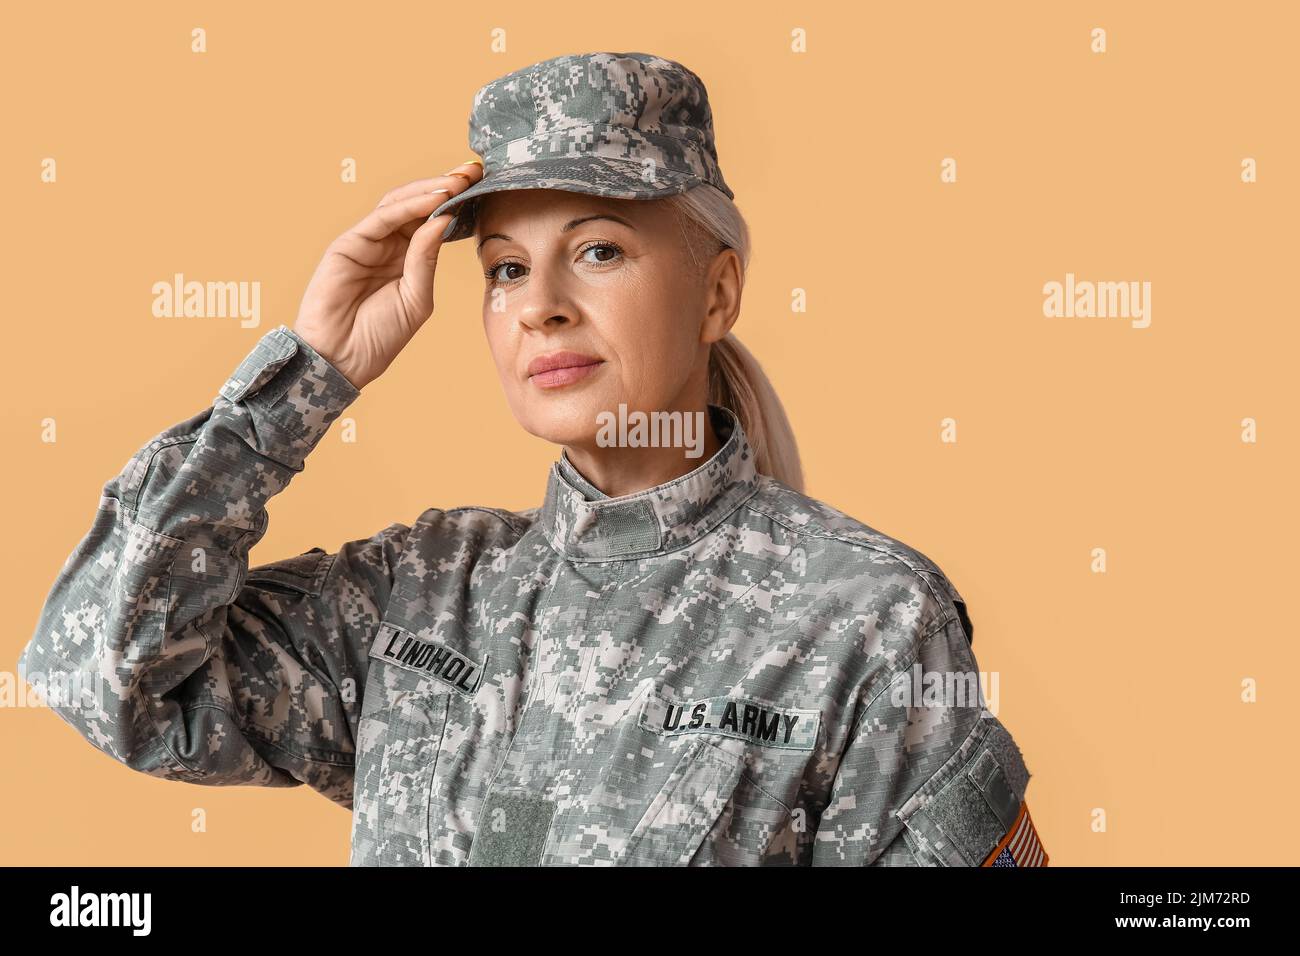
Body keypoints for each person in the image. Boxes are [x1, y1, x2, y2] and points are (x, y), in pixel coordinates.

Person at [17, 51, 1047, 867]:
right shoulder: (417, 594)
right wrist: (304, 380)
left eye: (599, 249)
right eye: (505, 267)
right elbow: (102, 676)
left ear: (717, 292)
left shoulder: (859, 615)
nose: (542, 302)